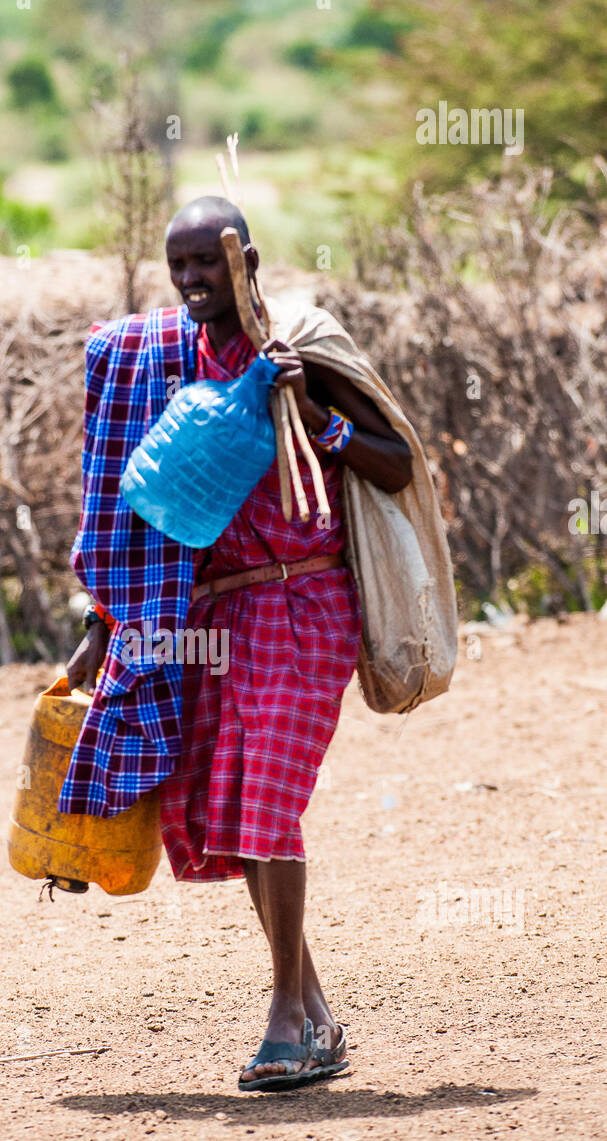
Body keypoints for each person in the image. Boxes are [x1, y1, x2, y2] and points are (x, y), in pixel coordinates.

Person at [64, 196, 412, 1091]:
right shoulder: (166, 362)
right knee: (233, 811)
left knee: (266, 800)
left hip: (303, 602)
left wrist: (317, 419)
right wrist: (95, 641)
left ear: (243, 261)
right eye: (176, 267)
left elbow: (397, 462)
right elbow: (155, 524)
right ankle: (316, 1018)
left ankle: (286, 1016)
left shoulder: (300, 345)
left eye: (205, 266)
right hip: (210, 615)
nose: (189, 282)